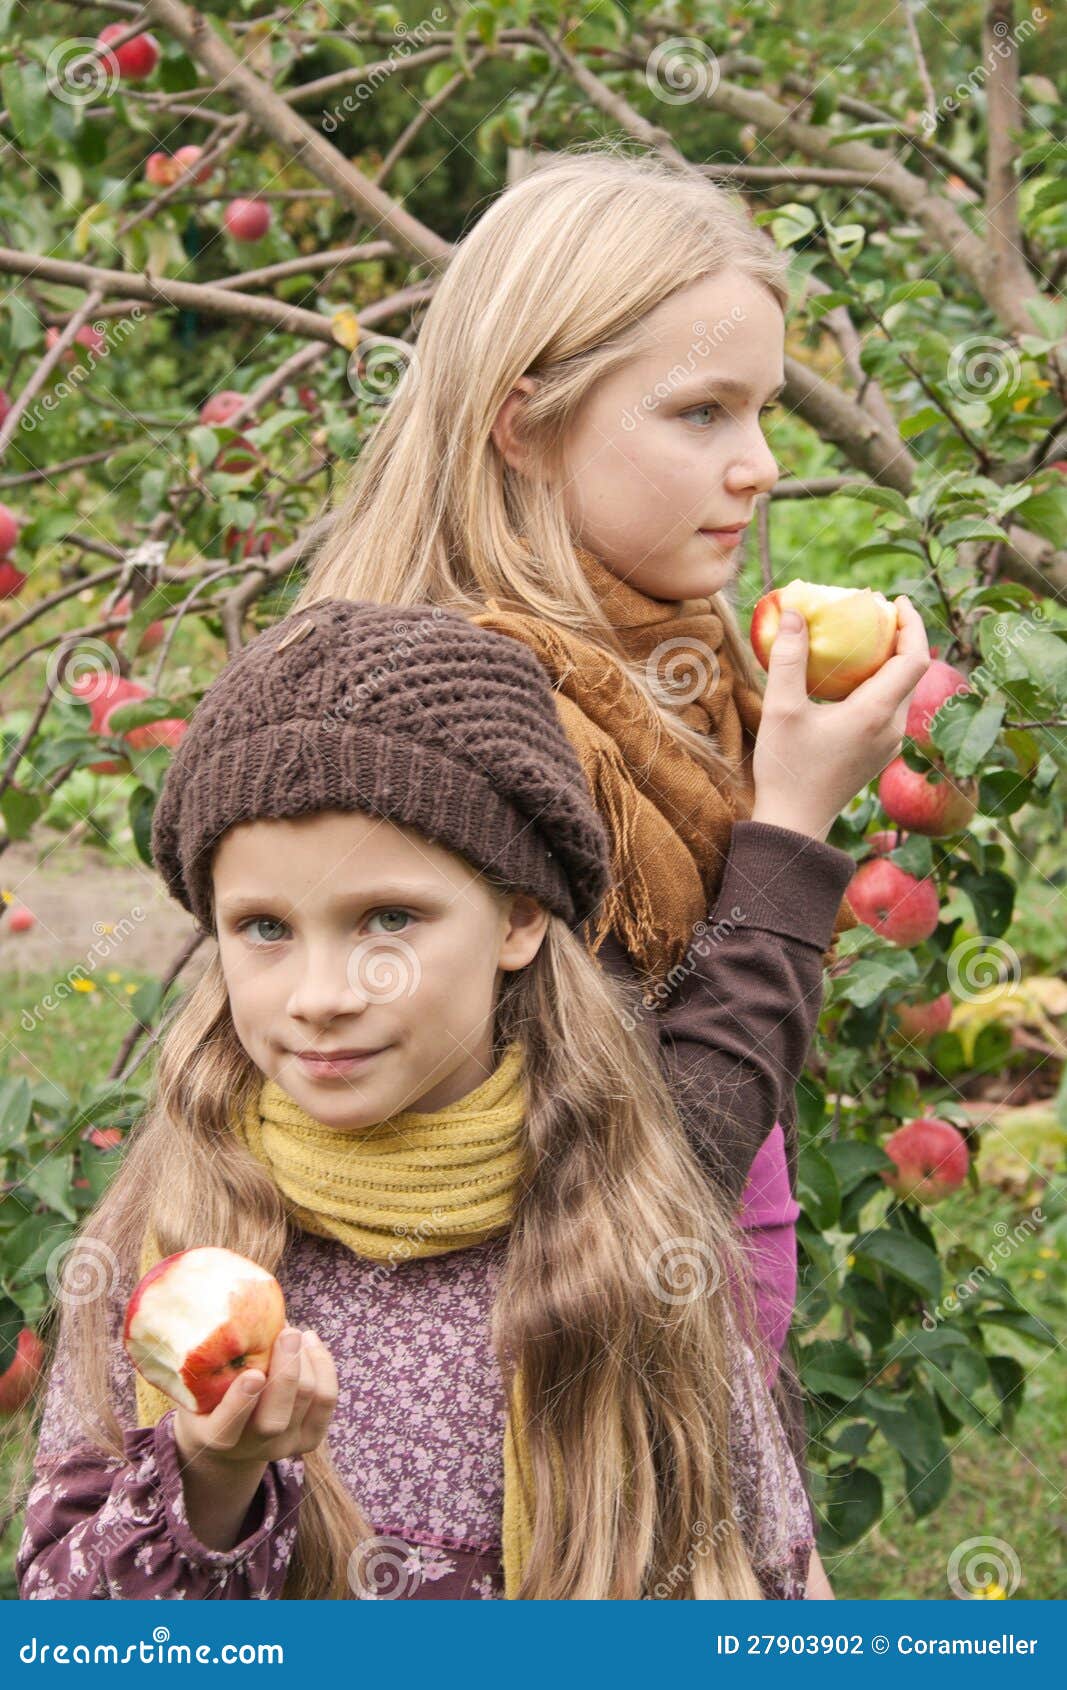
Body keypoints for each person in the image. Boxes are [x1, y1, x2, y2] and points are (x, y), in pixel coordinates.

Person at [292, 143, 931, 1587]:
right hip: (562, 1461)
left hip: (687, 1393)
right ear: (522, 424)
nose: (758, 462)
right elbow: (638, 1171)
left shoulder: (662, 672)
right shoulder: (476, 734)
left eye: (759, 407)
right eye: (700, 410)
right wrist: (788, 838)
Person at [15, 599, 843, 1601]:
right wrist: (212, 1478)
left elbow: (760, 1579)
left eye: (389, 918)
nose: (321, 994)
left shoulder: (632, 1243)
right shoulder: (169, 1233)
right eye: (265, 927)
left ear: (517, 919)